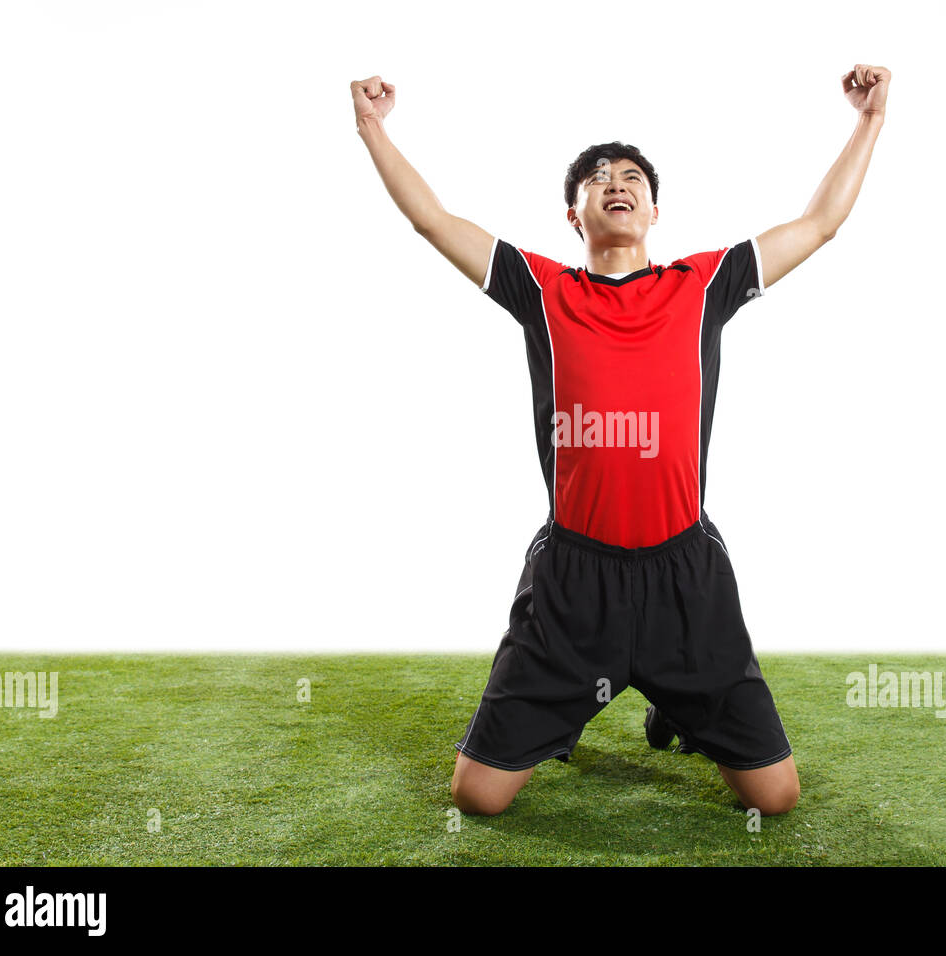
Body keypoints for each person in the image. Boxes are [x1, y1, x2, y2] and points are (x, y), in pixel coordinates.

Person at [351, 65, 890, 816]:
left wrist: (869, 118)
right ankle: (592, 691)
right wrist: (373, 127)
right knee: (478, 796)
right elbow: (435, 222)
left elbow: (819, 225)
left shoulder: (703, 284)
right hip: (575, 581)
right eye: (598, 178)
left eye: (632, 176)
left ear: (654, 209)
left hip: (684, 577)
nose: (616, 183)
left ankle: (679, 702)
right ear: (574, 215)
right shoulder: (542, 290)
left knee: (776, 797)